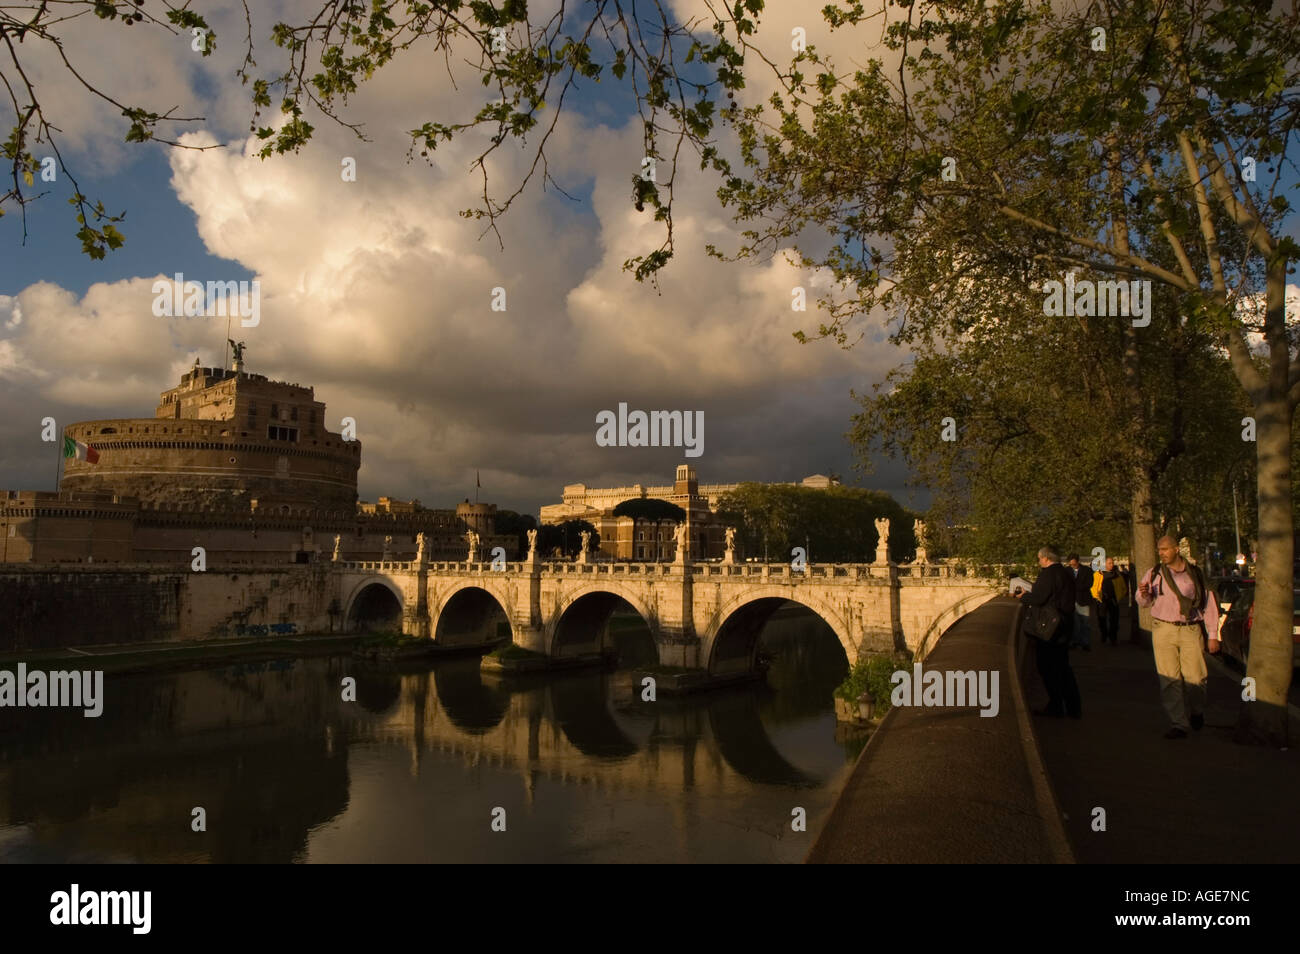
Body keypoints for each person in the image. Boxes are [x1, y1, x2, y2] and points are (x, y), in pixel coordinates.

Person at [1136, 535, 1220, 739]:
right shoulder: (1154, 573)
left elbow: (1209, 604)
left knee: (1196, 677)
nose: (1161, 553)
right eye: (1159, 550)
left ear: (1176, 550)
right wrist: (1144, 594)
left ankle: (1197, 710)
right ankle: (1179, 723)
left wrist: (1212, 634)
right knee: (1169, 678)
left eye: (1165, 549)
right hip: (1163, 628)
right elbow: (1144, 602)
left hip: (1190, 628)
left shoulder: (1195, 574)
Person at [1016, 546, 1081, 718]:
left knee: (1047, 667)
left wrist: (1023, 597)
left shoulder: (1048, 574)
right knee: (1063, 668)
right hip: (1065, 625)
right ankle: (1074, 707)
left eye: (1039, 558)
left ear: (1046, 558)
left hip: (1051, 629)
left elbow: (1039, 598)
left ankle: (1056, 706)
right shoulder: (1067, 573)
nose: (1038, 561)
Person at [1066, 553, 1094, 651]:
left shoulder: (1087, 570)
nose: (1072, 566)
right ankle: (1074, 641)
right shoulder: (1066, 571)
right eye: (1070, 564)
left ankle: (1085, 642)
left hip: (1083, 599)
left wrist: (1075, 587)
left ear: (1078, 561)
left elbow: (1089, 584)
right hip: (1071, 600)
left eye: (1074, 564)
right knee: (1074, 623)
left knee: (1085, 623)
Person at [1098, 557, 1122, 645]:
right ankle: (1104, 634)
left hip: (1114, 600)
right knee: (1102, 619)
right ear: (1104, 564)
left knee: (1114, 620)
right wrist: (1097, 597)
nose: (1111, 565)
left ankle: (1113, 637)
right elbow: (1094, 587)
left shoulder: (1117, 574)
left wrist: (1119, 596)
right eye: (1109, 563)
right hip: (1102, 600)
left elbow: (1123, 586)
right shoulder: (1099, 574)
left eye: (1112, 563)